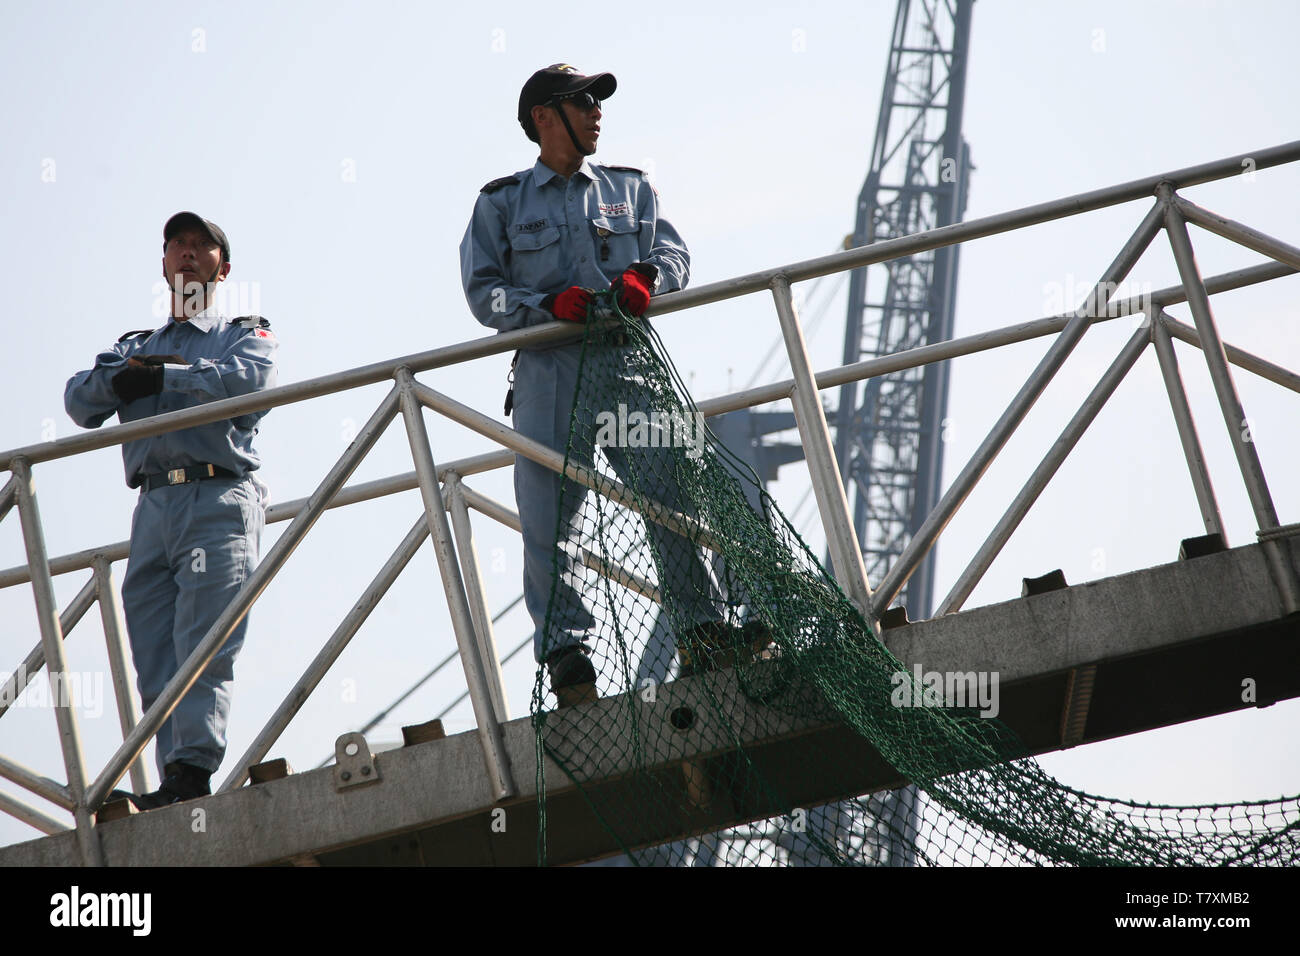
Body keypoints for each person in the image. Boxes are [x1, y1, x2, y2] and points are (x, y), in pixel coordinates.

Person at [459, 64, 727, 707]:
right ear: (544, 117)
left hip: (629, 370)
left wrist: (648, 280)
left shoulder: (631, 190)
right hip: (550, 376)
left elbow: (675, 255)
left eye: (598, 102)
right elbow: (483, 292)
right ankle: (569, 660)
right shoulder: (500, 203)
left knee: (673, 498)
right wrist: (546, 306)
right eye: (583, 101)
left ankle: (703, 634)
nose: (597, 112)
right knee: (551, 525)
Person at [64, 211, 277, 808]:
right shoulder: (135, 347)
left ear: (222, 267)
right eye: (176, 245)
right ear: (163, 264)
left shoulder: (244, 332)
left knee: (203, 644)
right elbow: (80, 402)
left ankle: (191, 774)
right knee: (155, 653)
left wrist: (163, 379)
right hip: (153, 506)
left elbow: (247, 383)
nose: (186, 253)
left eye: (200, 246)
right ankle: (171, 777)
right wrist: (120, 382)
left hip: (216, 496)